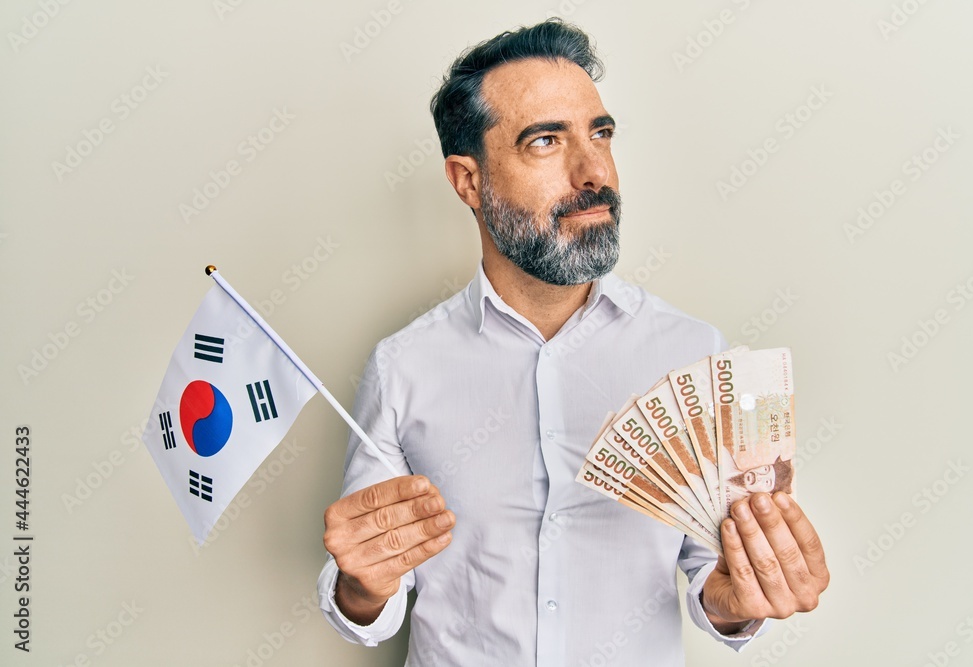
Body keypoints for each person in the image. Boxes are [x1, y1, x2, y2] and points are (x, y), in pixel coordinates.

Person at [317, 19, 828, 666]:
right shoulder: (403, 366)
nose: (594, 171)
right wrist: (361, 585)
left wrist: (741, 594)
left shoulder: (693, 351)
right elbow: (370, 610)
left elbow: (715, 586)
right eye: (545, 141)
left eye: (601, 134)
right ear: (468, 181)